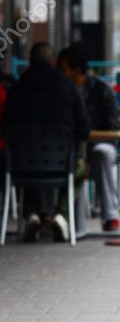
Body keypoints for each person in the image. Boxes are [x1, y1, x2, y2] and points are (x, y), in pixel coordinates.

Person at [2, 42, 90, 242]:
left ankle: (31, 215)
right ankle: (61, 214)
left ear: (30, 62)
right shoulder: (68, 88)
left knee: (29, 160)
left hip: (19, 167)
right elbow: (84, 130)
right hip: (61, 166)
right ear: (53, 62)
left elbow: (5, 128)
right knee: (82, 167)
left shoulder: (17, 89)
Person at [57, 44, 120, 232]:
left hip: (96, 148)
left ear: (77, 70)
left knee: (103, 153)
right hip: (67, 149)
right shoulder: (59, 91)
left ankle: (110, 216)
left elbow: (113, 130)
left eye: (63, 69)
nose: (59, 73)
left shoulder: (102, 91)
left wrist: (90, 136)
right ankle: (56, 216)